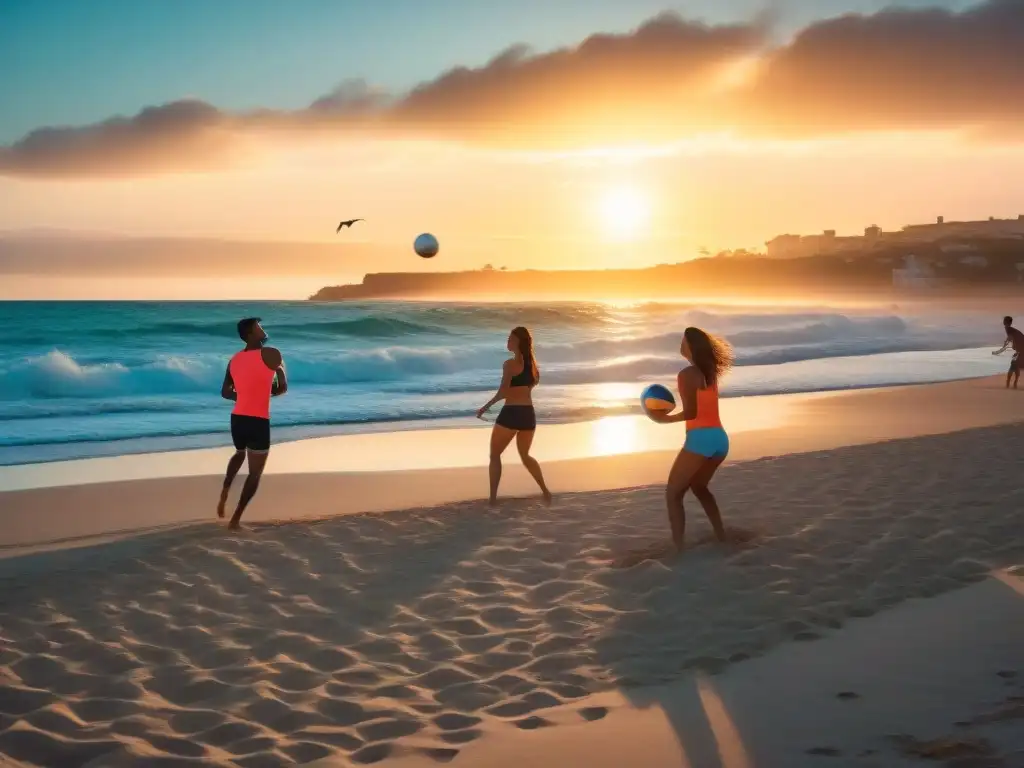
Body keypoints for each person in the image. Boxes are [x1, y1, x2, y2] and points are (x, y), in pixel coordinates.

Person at [647, 326, 734, 555]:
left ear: (690, 346)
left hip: (701, 439)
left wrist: (663, 419)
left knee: (673, 493)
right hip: (720, 439)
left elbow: (692, 412)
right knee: (699, 487)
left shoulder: (687, 374)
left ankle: (678, 547)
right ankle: (721, 535)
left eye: (683, 340)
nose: (680, 343)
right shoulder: (710, 372)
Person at [218, 317, 288, 529]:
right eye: (259, 328)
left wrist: (245, 397)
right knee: (255, 472)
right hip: (258, 420)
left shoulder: (234, 360)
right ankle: (235, 519)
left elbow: (225, 392)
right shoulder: (272, 354)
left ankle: (225, 489)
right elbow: (282, 388)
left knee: (239, 453)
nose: (263, 331)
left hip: (237, 418)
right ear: (250, 335)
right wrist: (279, 375)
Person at [476, 326, 552, 506]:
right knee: (525, 456)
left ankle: (493, 499)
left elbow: (503, 393)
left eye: (510, 338)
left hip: (511, 413)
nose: (507, 341)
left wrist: (484, 408)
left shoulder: (509, 364)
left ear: (518, 341)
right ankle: (545, 491)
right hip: (528, 414)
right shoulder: (532, 366)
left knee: (494, 455)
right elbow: (527, 389)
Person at [993, 315, 1023, 389]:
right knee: (1016, 366)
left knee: (1014, 365)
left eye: (1004, 321)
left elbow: (1010, 338)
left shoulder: (1008, 329)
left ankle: (1009, 383)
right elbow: (1012, 337)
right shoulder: (1010, 329)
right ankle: (1013, 383)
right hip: (1020, 350)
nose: (1003, 322)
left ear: (1006, 322)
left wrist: (1004, 346)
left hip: (1021, 351)